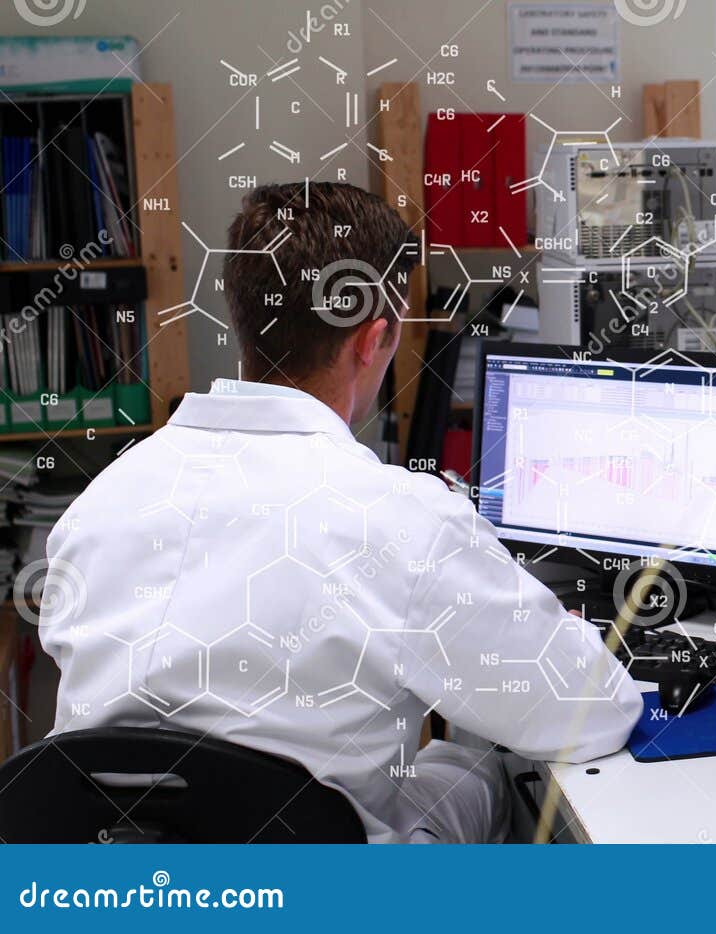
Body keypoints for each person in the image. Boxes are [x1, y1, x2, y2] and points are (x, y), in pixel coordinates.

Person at [37, 182, 642, 843]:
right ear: (371, 339)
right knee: (477, 769)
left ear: (241, 315)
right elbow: (590, 714)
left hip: (120, 890)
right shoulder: (402, 521)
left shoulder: (99, 504)